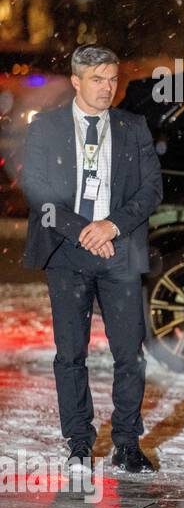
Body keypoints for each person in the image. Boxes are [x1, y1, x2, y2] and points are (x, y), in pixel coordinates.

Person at [20, 45, 164, 474]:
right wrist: (84, 230)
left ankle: (126, 442)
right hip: (67, 252)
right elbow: (37, 189)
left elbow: (151, 190)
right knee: (70, 353)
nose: (107, 88)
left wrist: (112, 227)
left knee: (129, 353)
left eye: (112, 80)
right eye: (98, 80)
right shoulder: (46, 127)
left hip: (118, 251)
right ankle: (79, 443)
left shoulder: (132, 127)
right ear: (77, 81)